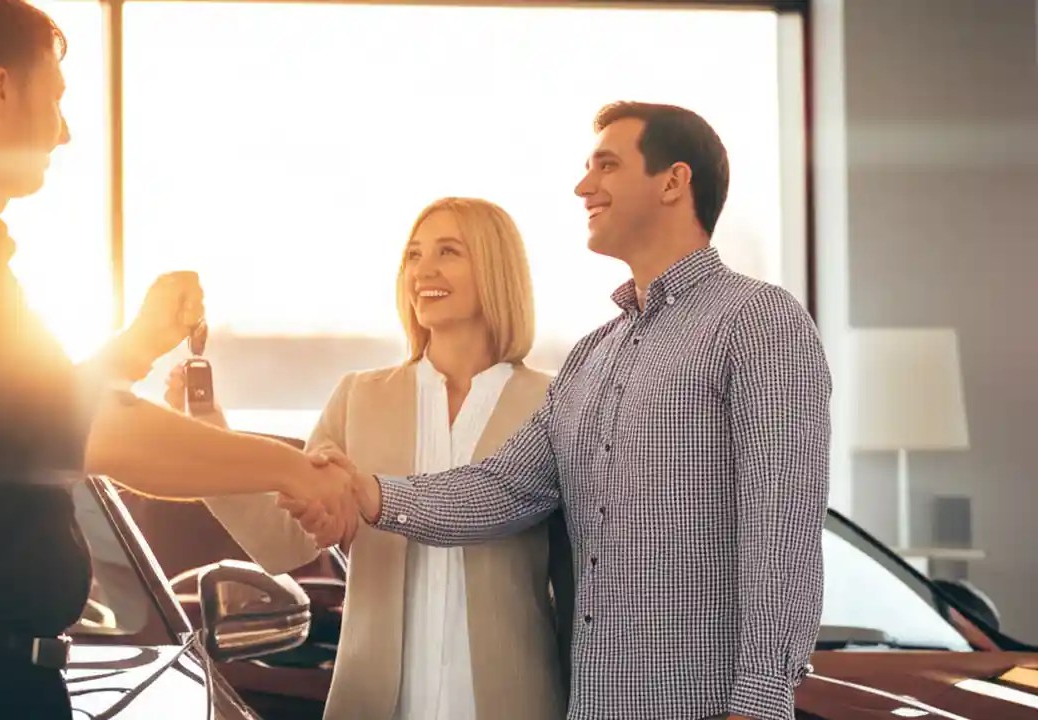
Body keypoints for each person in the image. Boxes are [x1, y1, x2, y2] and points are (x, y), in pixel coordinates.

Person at [0, 2, 351, 718]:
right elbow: (98, 434)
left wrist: (132, 349)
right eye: (57, 97)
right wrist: (287, 468)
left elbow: (23, 421)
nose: (64, 132)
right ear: (2, 89)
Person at [297, 102, 832, 720]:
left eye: (606, 165)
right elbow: (502, 490)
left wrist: (762, 699)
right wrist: (371, 494)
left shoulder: (758, 321)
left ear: (673, 181)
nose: (584, 186)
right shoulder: (590, 357)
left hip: (707, 706)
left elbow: (782, 522)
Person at [167, 197, 574, 720]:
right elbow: (280, 537)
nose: (423, 270)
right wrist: (208, 436)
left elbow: (588, 575)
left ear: (496, 268)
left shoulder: (557, 403)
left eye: (448, 251)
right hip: (373, 704)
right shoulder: (358, 397)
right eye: (413, 255)